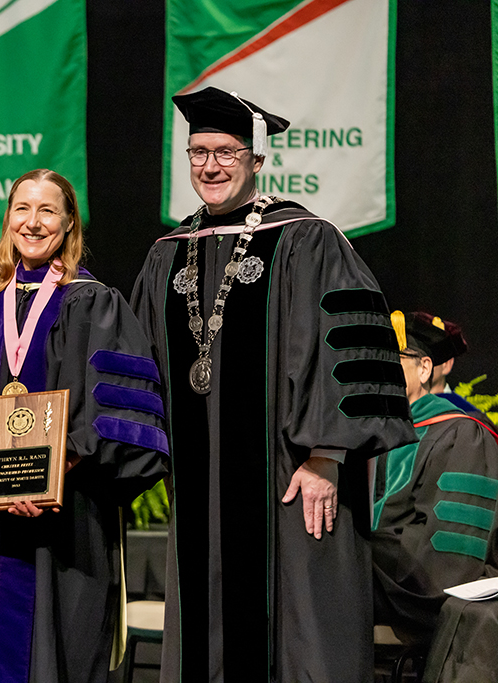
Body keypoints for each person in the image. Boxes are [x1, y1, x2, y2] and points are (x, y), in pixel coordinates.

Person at [130, 86, 417, 682]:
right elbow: (137, 366)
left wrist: (327, 457)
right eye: (198, 152)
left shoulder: (307, 240)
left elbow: (351, 357)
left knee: (301, 630)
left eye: (227, 152)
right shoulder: (167, 254)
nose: (210, 165)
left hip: (291, 479)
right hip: (201, 490)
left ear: (257, 161)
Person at [0, 169, 169, 683]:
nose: (34, 222)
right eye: (23, 209)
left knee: (64, 645)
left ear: (69, 225)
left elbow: (123, 410)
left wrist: (61, 463)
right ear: (8, 220)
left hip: (71, 514)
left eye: (48, 211)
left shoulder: (96, 303)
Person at [372, 310, 498, 646]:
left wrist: (360, 552)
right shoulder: (375, 432)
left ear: (424, 368)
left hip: (421, 586)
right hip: (381, 578)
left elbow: (449, 560)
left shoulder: (461, 432)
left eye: (391, 357)